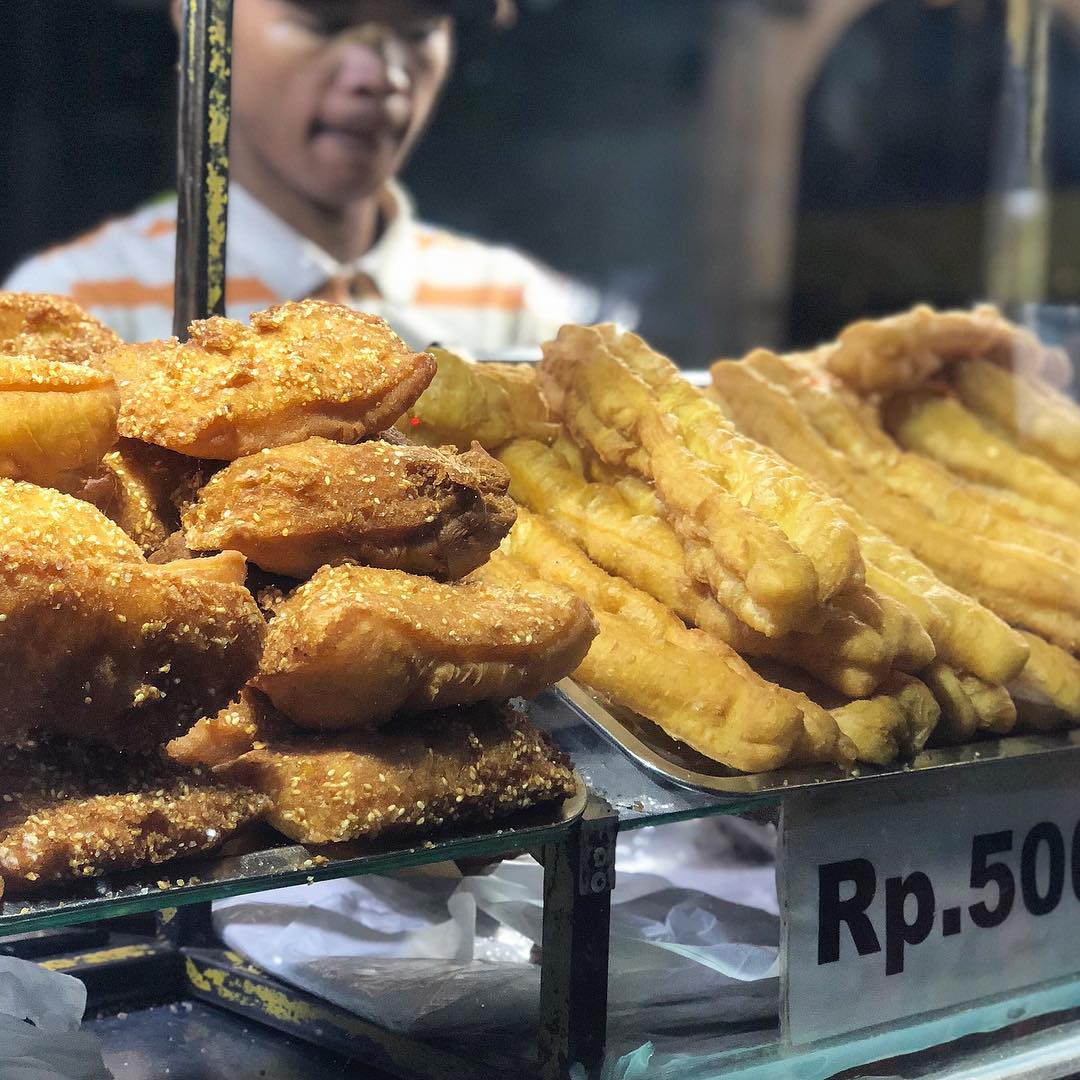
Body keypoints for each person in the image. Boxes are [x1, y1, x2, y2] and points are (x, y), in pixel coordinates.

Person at [4, 0, 611, 354]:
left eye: (418, 29)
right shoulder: (74, 303)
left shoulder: (522, 307)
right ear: (201, 23)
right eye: (325, 21)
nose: (381, 75)